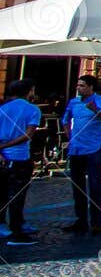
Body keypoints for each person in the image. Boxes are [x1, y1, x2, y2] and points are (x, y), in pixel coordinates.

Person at [61, 76, 101, 235]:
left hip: (93, 148)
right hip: (76, 149)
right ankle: (81, 220)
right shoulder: (74, 102)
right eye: (78, 85)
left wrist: (96, 111)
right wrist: (69, 136)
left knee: (95, 186)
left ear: (91, 87)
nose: (78, 88)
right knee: (77, 187)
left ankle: (96, 222)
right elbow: (65, 120)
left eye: (82, 86)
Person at [0, 79, 41, 245]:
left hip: (2, 157)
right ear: (29, 91)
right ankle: (17, 230)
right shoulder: (32, 109)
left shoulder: (2, 108)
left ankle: (2, 225)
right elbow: (28, 135)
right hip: (20, 157)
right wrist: (7, 144)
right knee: (17, 194)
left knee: (2, 193)